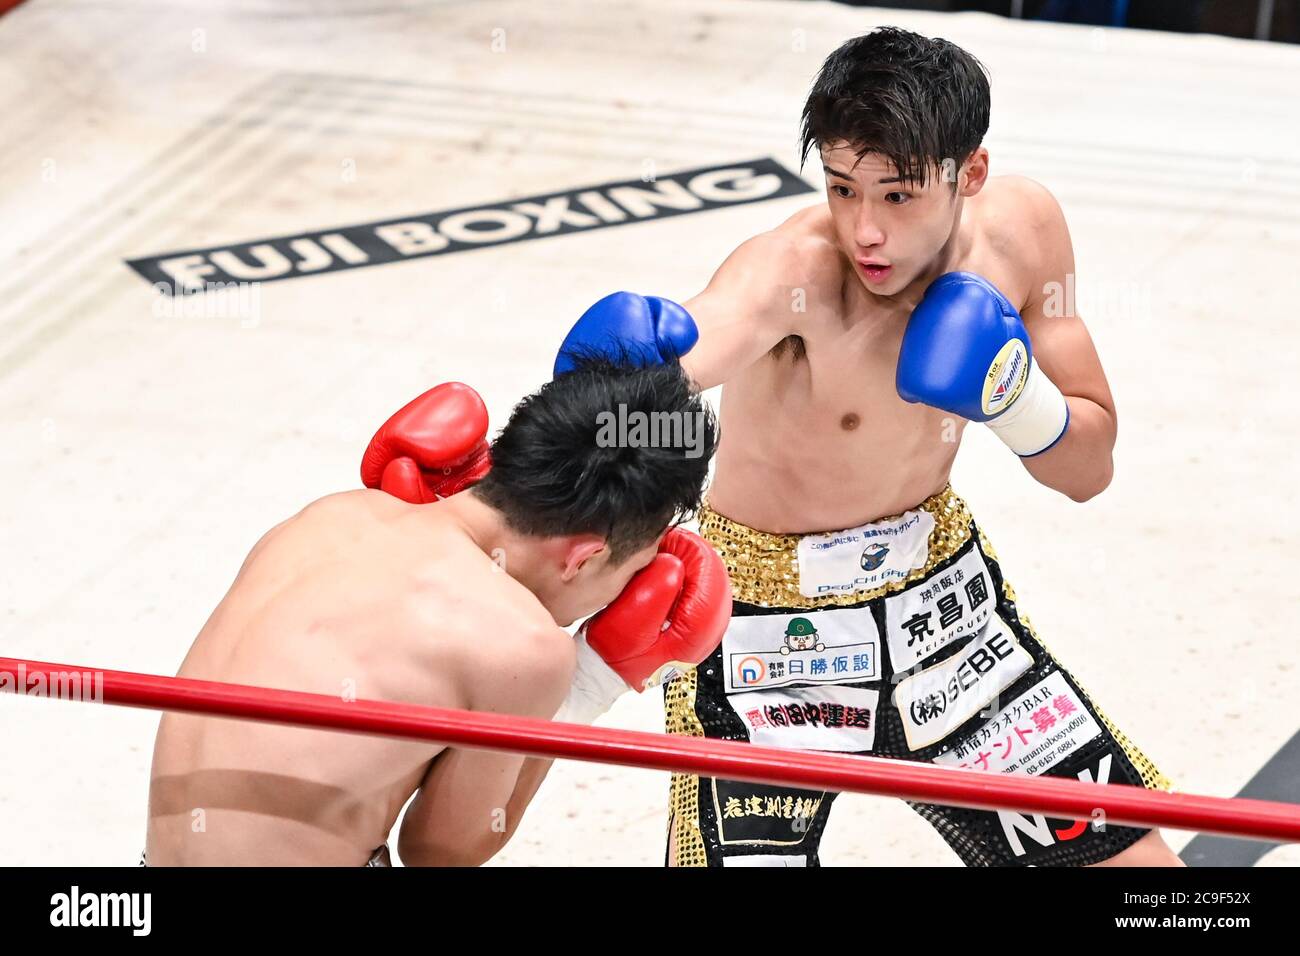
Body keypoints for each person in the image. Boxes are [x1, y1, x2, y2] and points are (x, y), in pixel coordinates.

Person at [548, 27, 1184, 866]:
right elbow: (703, 333)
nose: (865, 230)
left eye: (898, 196)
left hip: (946, 613)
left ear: (972, 174)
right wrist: (624, 382)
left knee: (1158, 892)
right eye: (843, 189)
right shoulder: (792, 273)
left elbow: (1088, 470)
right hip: (764, 626)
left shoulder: (1023, 234)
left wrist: (1018, 398)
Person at [145, 360, 728, 866]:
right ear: (586, 557)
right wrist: (590, 681)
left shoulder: (331, 515)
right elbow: (440, 854)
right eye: (630, 572)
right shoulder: (518, 645)